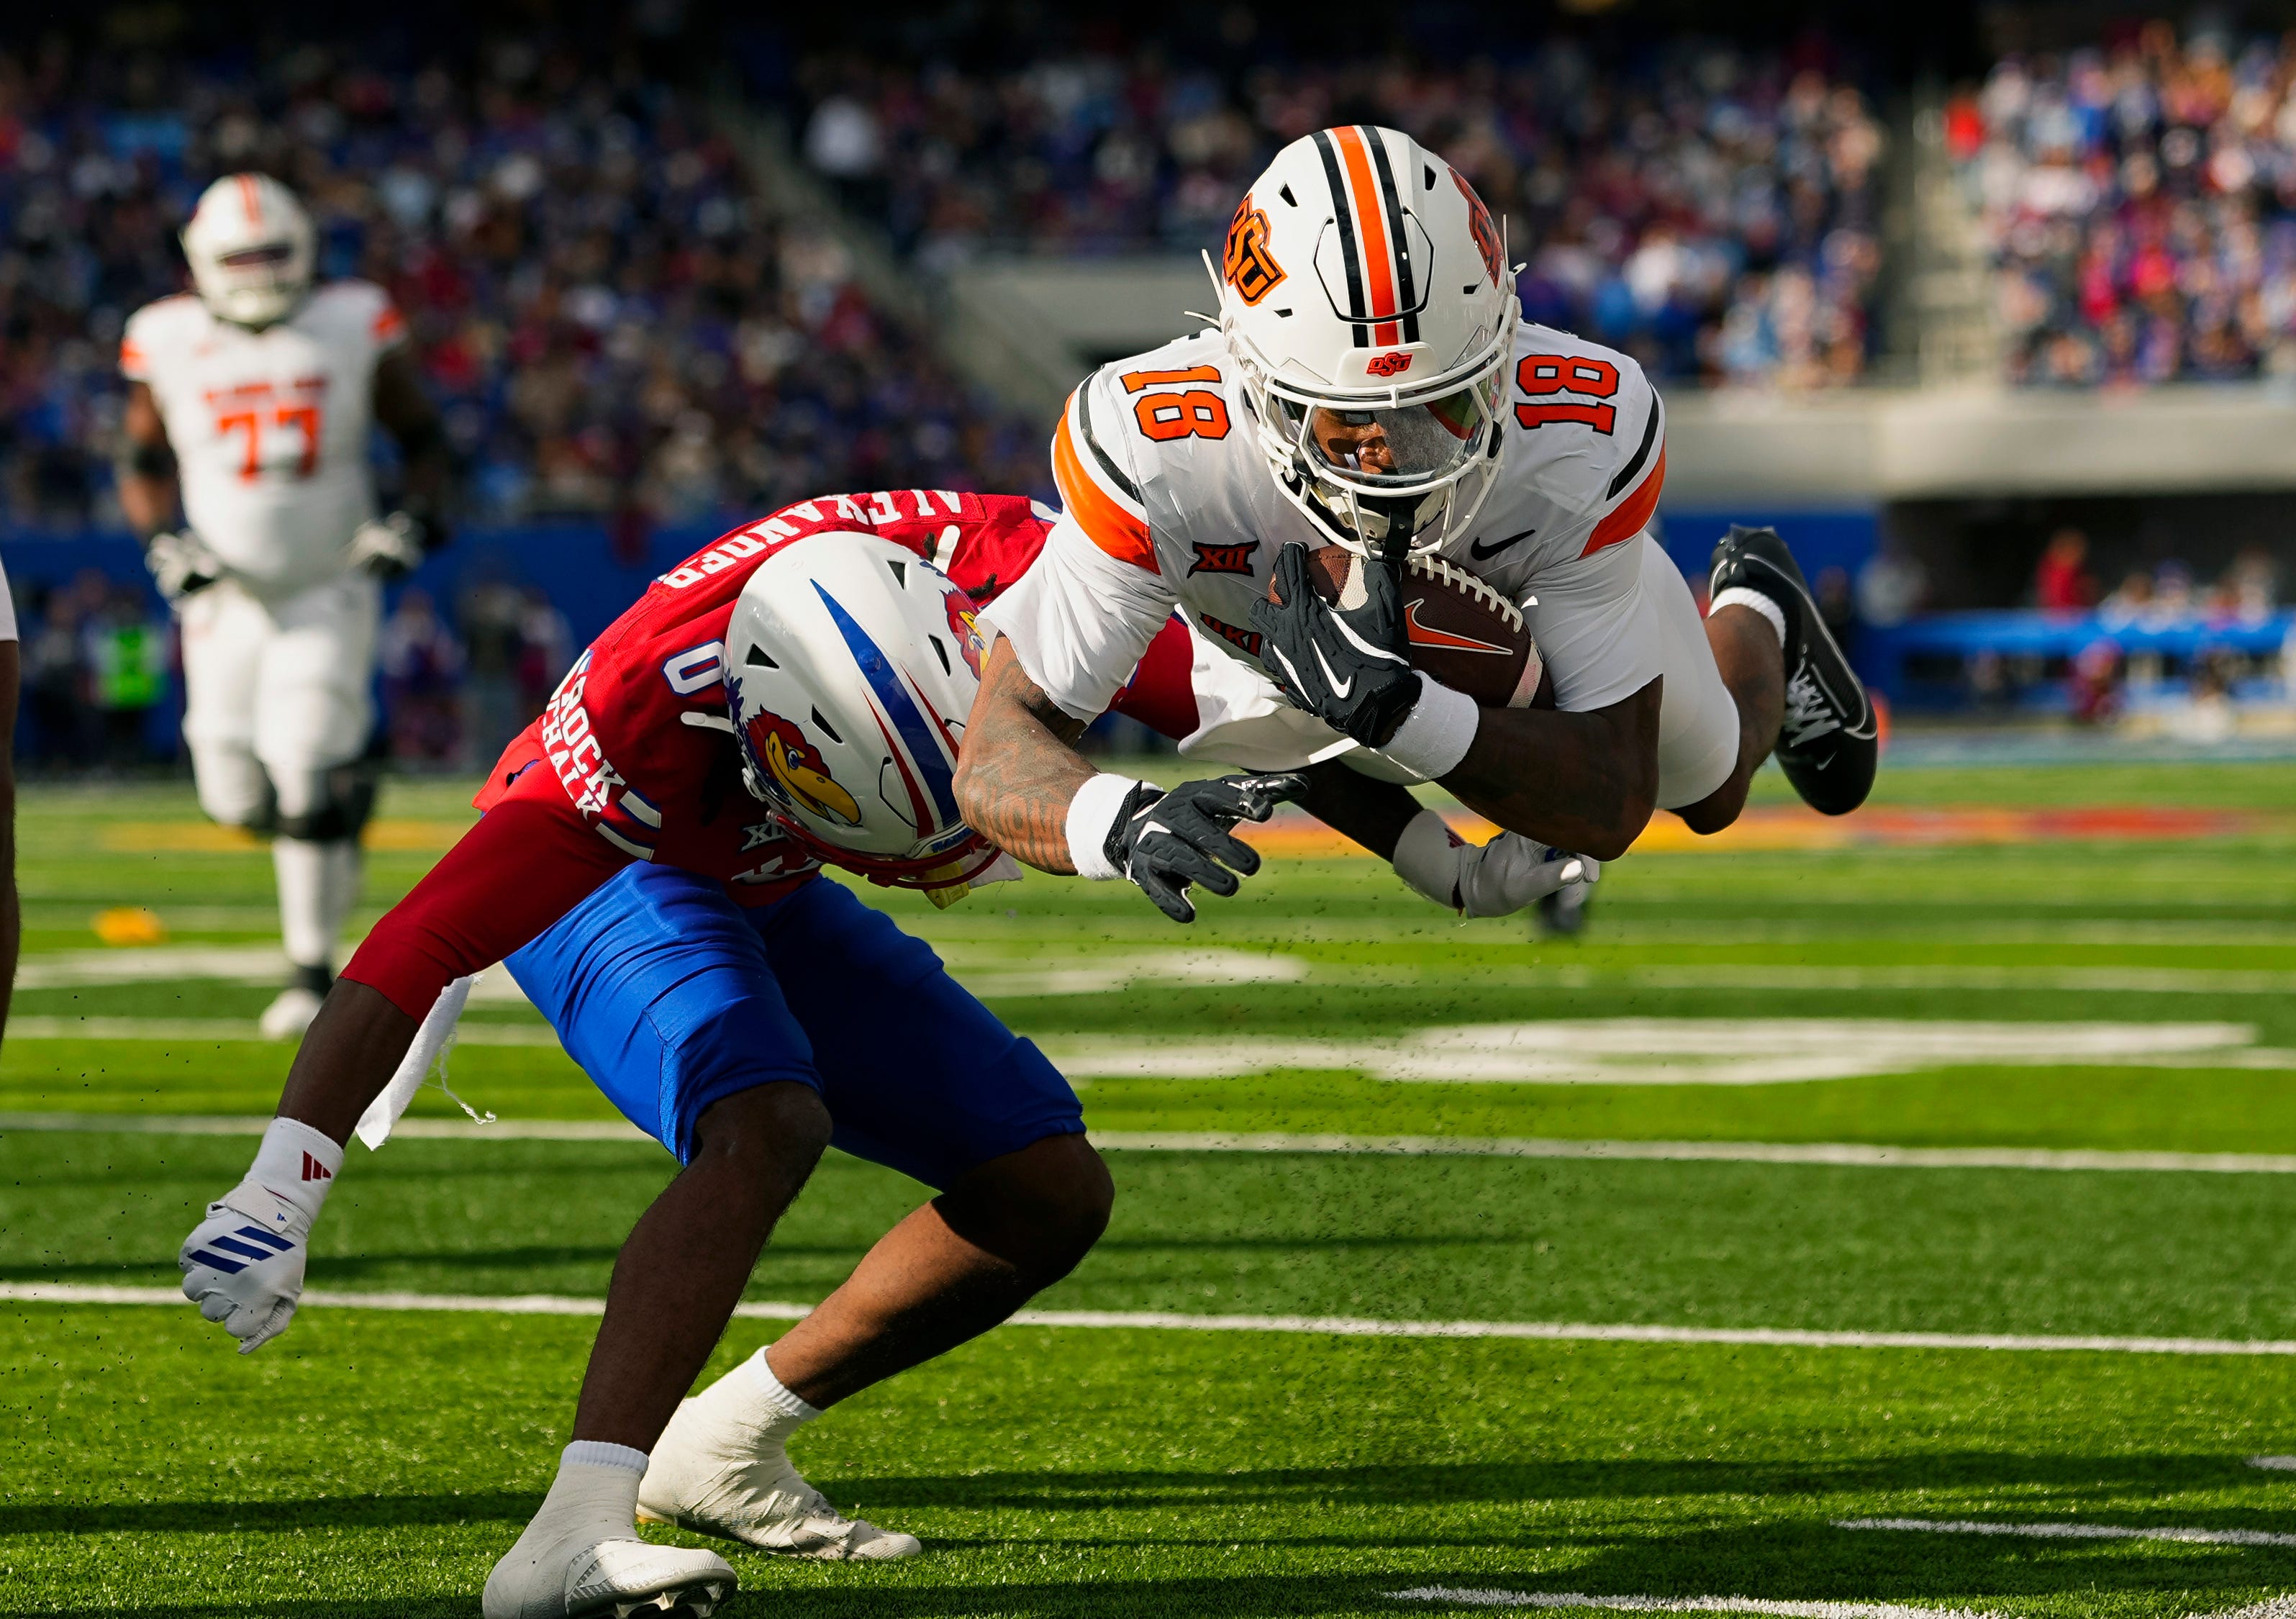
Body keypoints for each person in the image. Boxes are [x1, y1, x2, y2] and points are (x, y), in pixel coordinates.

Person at [174, 490, 1588, 1619]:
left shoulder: (1025, 581)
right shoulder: (612, 753)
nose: (940, 870)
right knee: (765, 1118)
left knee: (1044, 1186)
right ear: (779, 752)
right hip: (636, 873)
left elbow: (1239, 696)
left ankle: (717, 1446)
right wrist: (276, 1193)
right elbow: (411, 944)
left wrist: (1435, 858)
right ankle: (567, 1535)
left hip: (767, 869)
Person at [953, 126, 1876, 924]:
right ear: (1258, 388)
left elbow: (1612, 798)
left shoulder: (1578, 436)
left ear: (1502, 341)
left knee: (1704, 790)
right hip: (1307, 694)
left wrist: (1404, 711)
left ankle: (1758, 610)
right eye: (1351, 416)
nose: (1395, 452)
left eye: (1442, 404)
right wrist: (1113, 822)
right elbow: (1003, 750)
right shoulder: (1159, 458)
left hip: (1523, 613)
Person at [117, 172, 453, 1040]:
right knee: (231, 792)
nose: (260, 271)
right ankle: (349, 789)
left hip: (327, 580)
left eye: (274, 252)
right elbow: (143, 460)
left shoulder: (351, 320)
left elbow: (423, 438)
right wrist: (163, 540)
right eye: (242, 257)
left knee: (301, 754)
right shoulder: (166, 335)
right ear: (202, 262)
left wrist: (412, 519)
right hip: (226, 593)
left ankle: (309, 971)